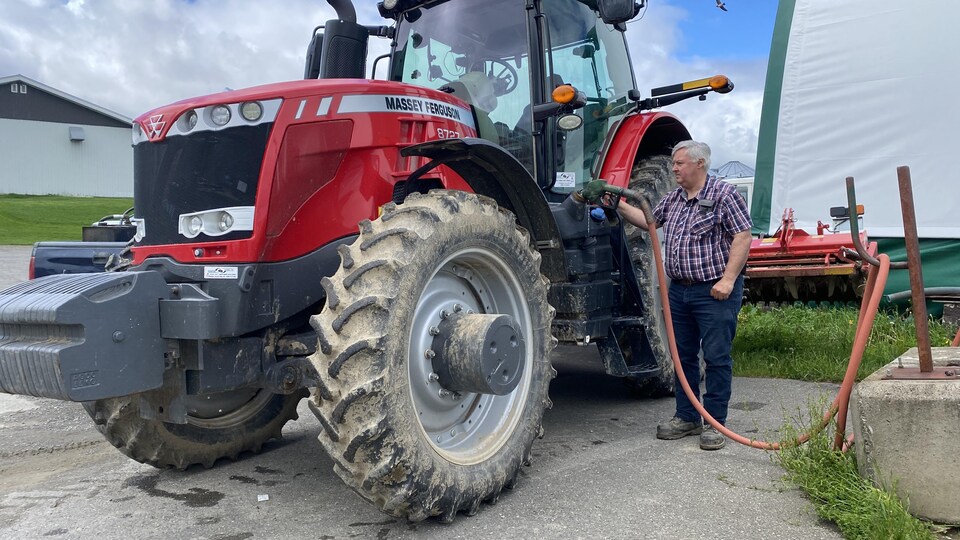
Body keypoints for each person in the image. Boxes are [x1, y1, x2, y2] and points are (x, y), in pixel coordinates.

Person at [616, 140, 753, 450]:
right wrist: (618, 204)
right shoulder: (674, 199)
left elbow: (743, 237)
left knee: (716, 358)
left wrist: (728, 280)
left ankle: (715, 423)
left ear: (699, 164)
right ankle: (687, 417)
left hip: (714, 291)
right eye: (674, 163)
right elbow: (649, 222)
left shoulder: (723, 195)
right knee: (683, 357)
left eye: (679, 163)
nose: (674, 168)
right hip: (679, 292)